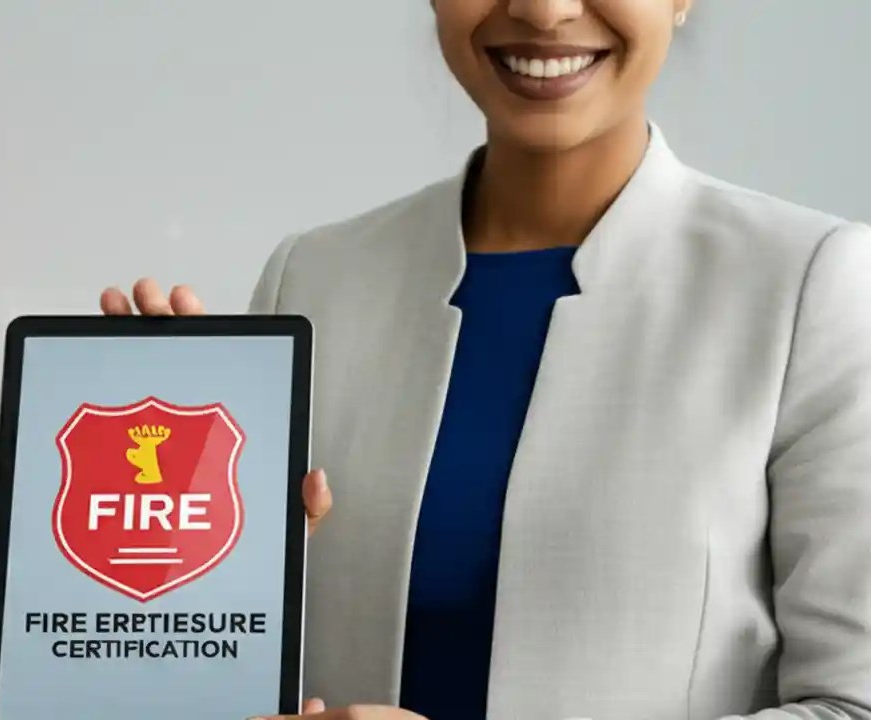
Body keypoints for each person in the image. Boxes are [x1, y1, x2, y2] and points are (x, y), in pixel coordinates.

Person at [101, 1, 871, 718]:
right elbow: (211, 666)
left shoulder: (812, 284)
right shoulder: (310, 277)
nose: (543, 10)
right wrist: (143, 545)